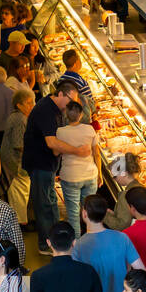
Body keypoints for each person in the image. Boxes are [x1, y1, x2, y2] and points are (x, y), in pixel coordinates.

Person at [22, 80, 88, 251]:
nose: (71, 104)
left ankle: (53, 242)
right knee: (45, 205)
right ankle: (46, 245)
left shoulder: (54, 109)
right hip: (40, 164)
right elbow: (51, 142)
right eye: (70, 99)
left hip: (46, 164)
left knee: (49, 203)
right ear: (60, 94)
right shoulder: (46, 110)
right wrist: (77, 150)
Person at [56, 102, 99, 232]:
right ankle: (91, 242)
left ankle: (77, 246)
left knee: (73, 215)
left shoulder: (60, 132)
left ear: (66, 114)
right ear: (81, 115)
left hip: (70, 177)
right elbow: (96, 154)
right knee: (90, 213)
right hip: (90, 175)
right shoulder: (90, 129)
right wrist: (100, 176)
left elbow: (56, 152)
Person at [1, 86, 33, 224]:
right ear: (19, 105)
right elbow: (19, 144)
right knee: (19, 194)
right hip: (15, 164)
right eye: (28, 103)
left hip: (10, 162)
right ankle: (20, 223)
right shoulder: (20, 119)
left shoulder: (15, 116)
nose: (32, 105)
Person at [103, 152, 146, 233]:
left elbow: (121, 225)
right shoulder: (142, 188)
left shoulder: (126, 195)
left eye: (115, 177)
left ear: (125, 174)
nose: (114, 180)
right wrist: (115, 214)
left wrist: (105, 215)